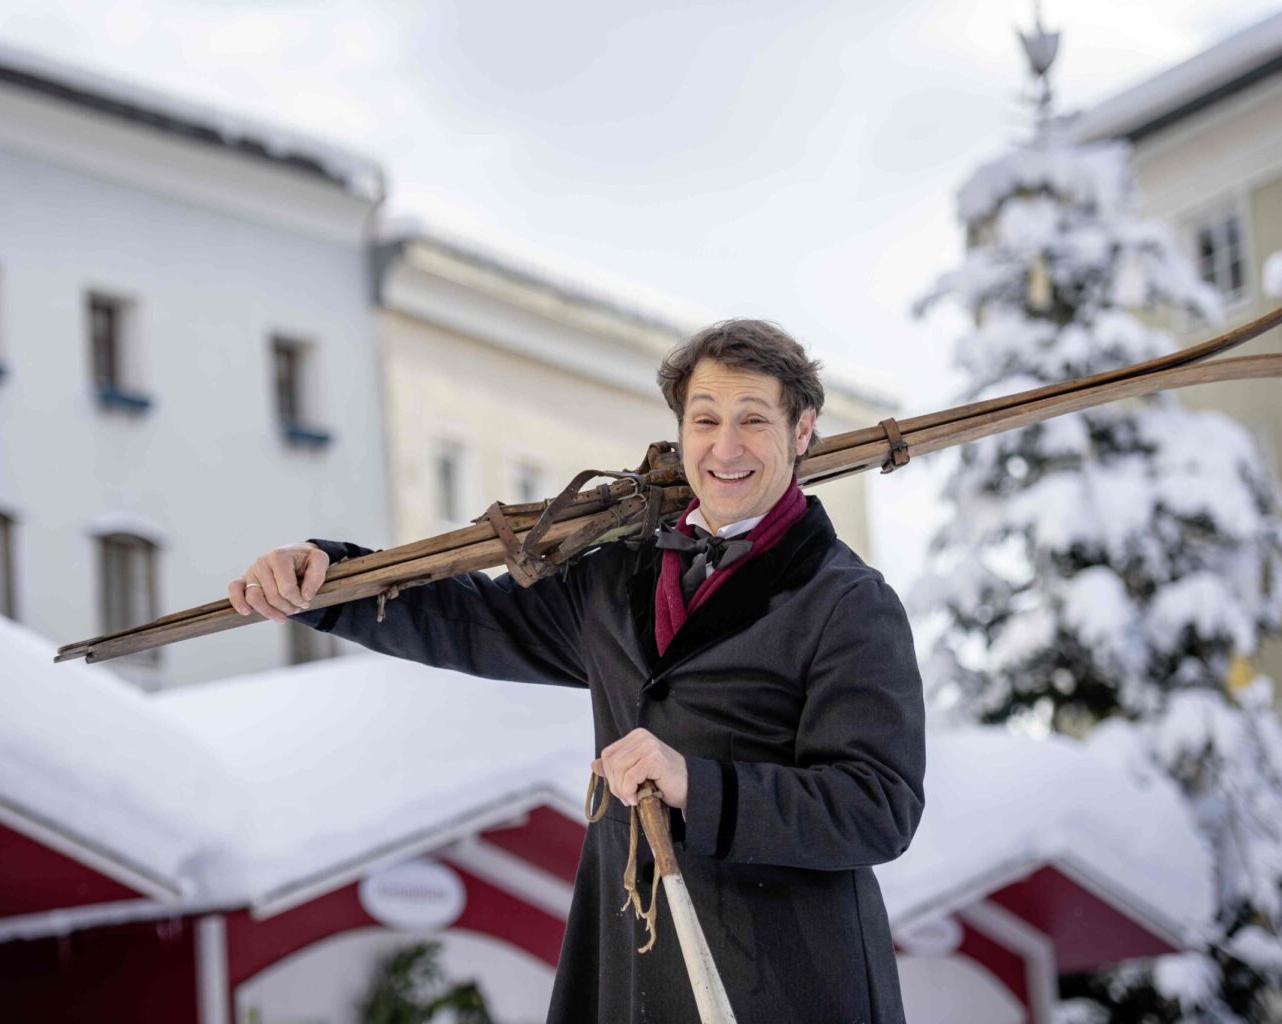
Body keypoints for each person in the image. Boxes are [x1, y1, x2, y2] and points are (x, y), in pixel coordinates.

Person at [227, 319, 925, 1024]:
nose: (726, 446)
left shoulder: (847, 604)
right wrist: (329, 580)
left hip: (789, 983)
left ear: (802, 430)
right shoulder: (622, 576)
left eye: (754, 420)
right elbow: (472, 621)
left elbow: (879, 807)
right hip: (637, 974)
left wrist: (697, 786)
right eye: (705, 419)